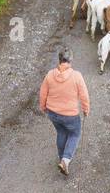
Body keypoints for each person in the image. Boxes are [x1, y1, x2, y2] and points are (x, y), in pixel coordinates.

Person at [38, 47, 90, 175]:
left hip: (53, 113)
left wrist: (43, 107)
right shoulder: (76, 76)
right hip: (70, 115)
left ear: (59, 60)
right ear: (70, 60)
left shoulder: (50, 75)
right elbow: (84, 95)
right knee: (74, 134)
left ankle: (61, 157)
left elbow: (43, 93)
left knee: (61, 132)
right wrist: (86, 109)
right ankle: (65, 160)